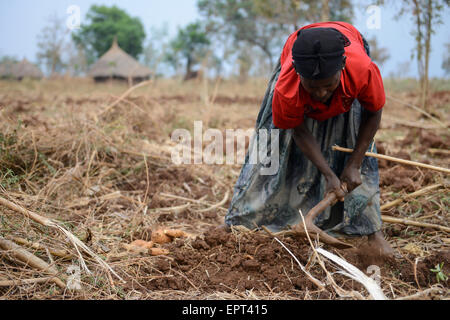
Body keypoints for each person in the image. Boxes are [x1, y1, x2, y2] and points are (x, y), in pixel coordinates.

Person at [225, 21, 394, 258]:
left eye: (328, 85)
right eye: (312, 87)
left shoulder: (361, 69)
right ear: (297, 73)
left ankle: (372, 234)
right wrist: (328, 174)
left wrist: (353, 164)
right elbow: (299, 129)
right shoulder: (287, 87)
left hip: (350, 66)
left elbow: (374, 111)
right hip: (296, 73)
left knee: (356, 141)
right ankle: (241, 221)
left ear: (342, 67)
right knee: (273, 147)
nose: (321, 94)